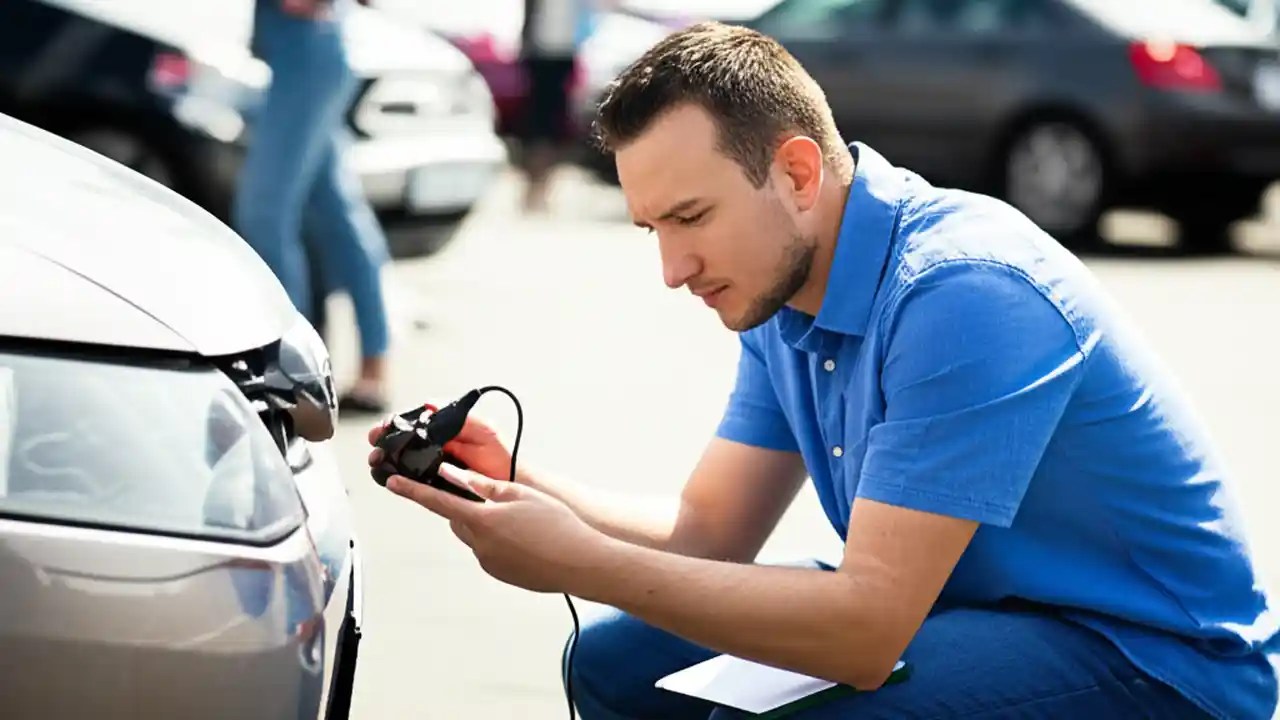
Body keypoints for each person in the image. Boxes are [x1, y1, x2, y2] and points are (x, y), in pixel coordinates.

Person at [369, 22, 1279, 719]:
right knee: (607, 663)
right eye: (653, 229)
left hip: (1153, 661)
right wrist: (511, 485)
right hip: (963, 610)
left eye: (691, 217)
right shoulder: (779, 285)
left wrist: (583, 562)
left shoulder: (965, 292)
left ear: (798, 172)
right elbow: (707, 533)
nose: (671, 270)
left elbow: (864, 631)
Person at [234, 0, 393, 413]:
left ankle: (292, 373)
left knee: (264, 215)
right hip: (306, 53)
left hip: (305, 52)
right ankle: (372, 365)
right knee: (339, 218)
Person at [517, 0, 598, 212]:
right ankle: (533, 189)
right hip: (539, 54)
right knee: (537, 125)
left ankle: (543, 188)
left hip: (566, 53)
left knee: (555, 125)